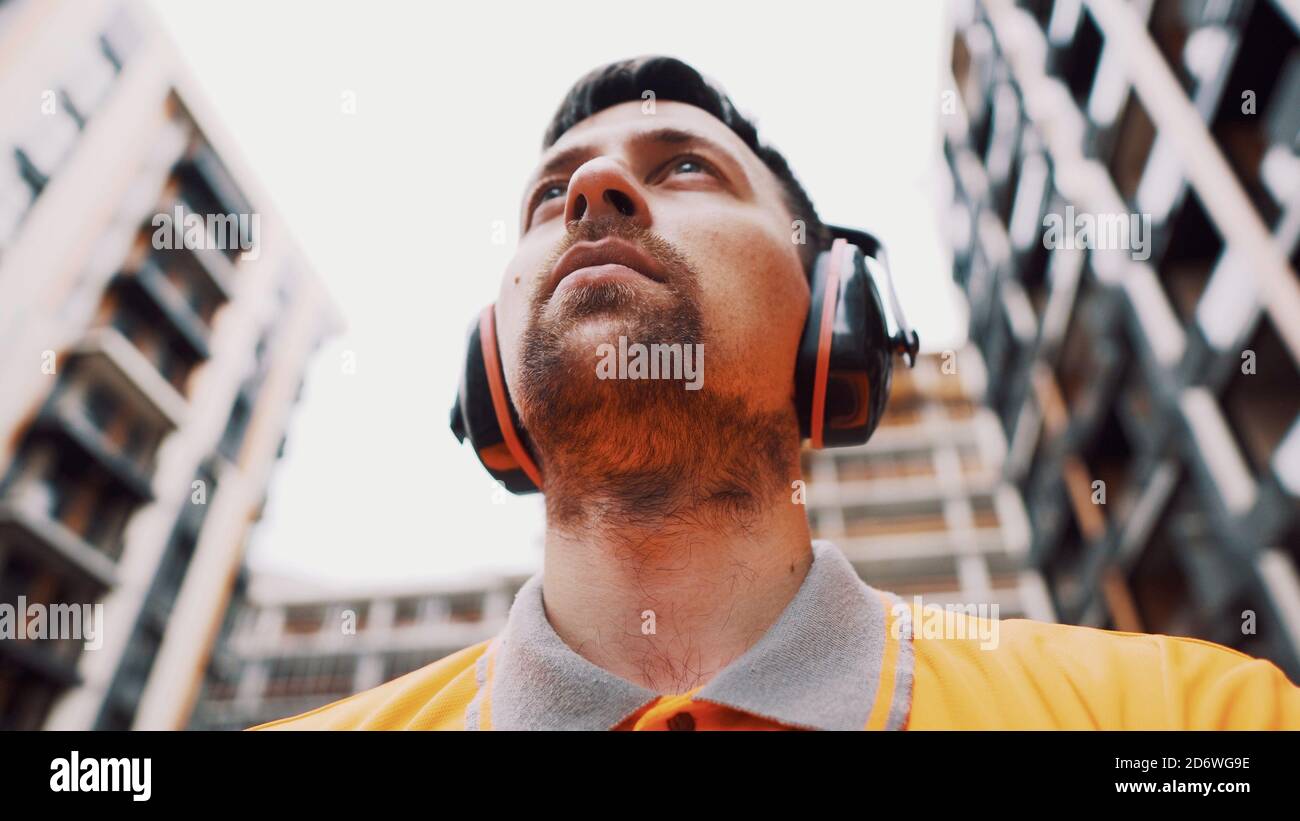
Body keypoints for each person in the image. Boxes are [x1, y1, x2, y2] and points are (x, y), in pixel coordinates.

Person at [250, 56, 1300, 731]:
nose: (591, 193)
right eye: (547, 195)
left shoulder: (1188, 721)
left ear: (832, 313)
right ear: (492, 371)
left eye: (688, 170)